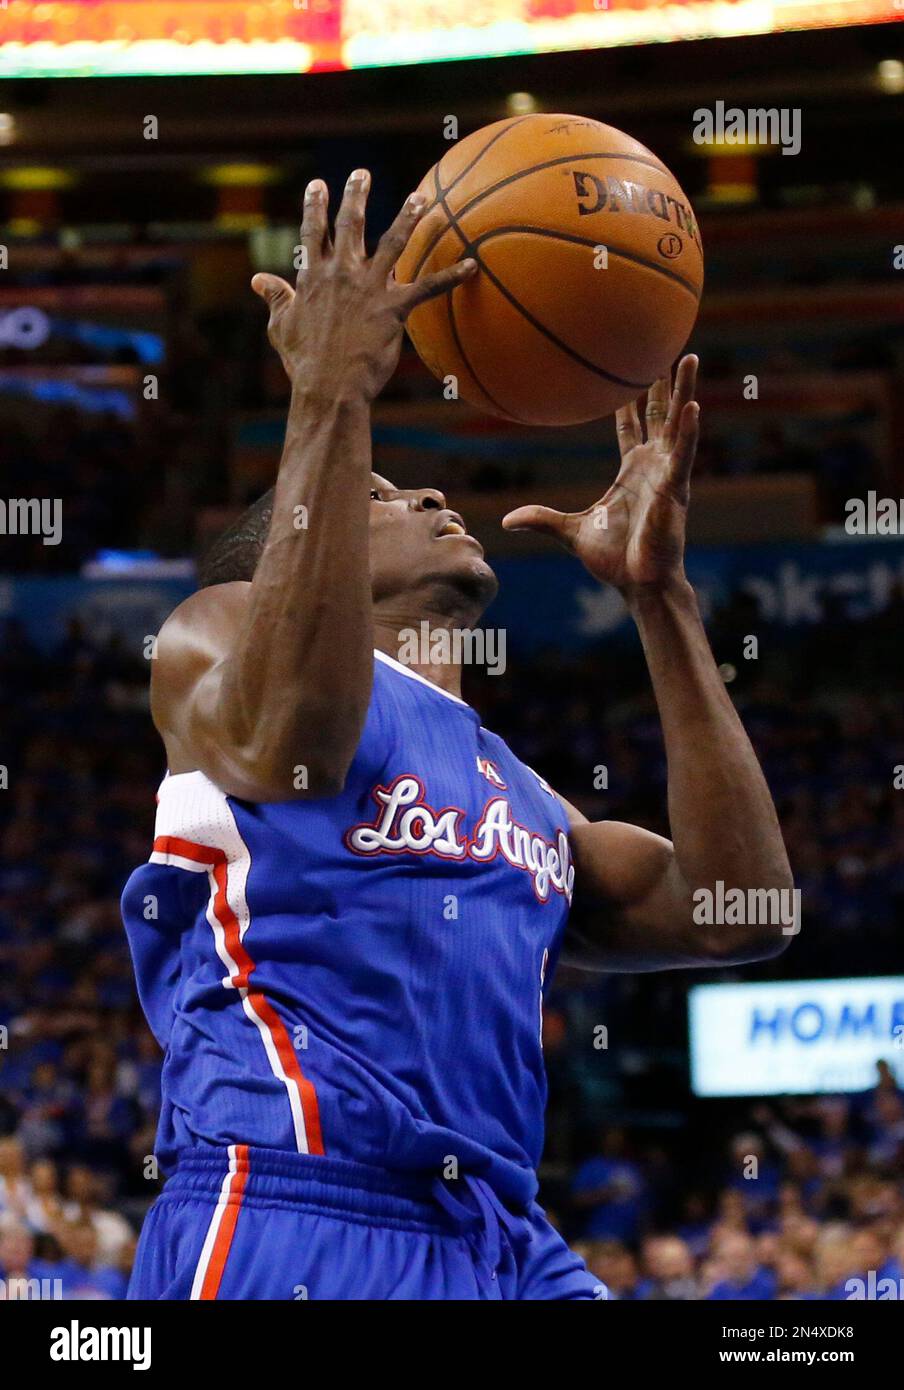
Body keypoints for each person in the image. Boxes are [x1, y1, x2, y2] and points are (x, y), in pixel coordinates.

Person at [122, 170, 792, 1300]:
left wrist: (660, 598)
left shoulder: (521, 793)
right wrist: (331, 393)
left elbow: (746, 913)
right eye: (379, 494)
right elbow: (297, 736)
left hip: (501, 1232)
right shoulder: (215, 633)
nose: (430, 492)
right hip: (294, 1203)